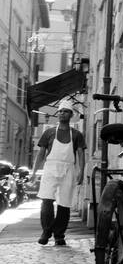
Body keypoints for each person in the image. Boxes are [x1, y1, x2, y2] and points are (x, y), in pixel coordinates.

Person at [31, 99, 85, 247]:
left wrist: (81, 171)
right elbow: (41, 154)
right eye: (60, 111)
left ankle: (59, 235)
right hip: (50, 168)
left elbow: (81, 154)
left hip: (68, 169)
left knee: (64, 203)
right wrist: (34, 172)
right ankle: (46, 232)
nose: (62, 114)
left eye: (65, 111)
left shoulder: (76, 135)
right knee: (46, 200)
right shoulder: (48, 133)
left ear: (71, 115)